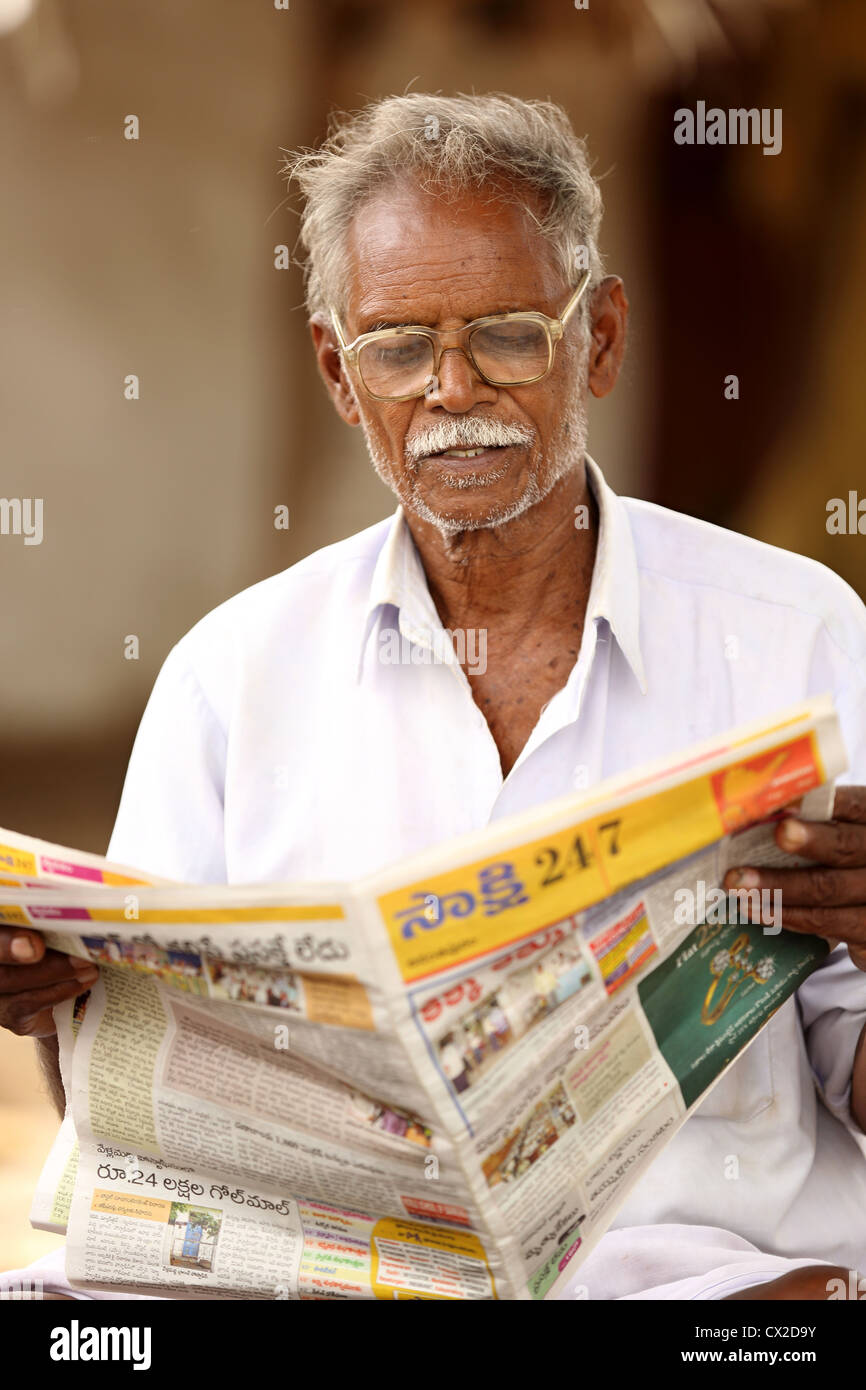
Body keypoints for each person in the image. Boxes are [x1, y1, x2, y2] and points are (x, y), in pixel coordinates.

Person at [2, 92, 866, 1302]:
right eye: (399, 347)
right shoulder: (231, 676)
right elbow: (138, 1136)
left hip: (698, 1296)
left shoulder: (795, 635)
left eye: (507, 333)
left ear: (600, 340)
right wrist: (59, 1010)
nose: (452, 389)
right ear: (339, 376)